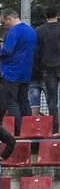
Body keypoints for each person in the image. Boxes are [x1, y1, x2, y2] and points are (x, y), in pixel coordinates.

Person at [0, 9, 37, 131]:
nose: (4, 26)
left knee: (12, 102)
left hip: (11, 72)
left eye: (4, 23)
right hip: (26, 72)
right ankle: (29, 129)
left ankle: (18, 131)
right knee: (24, 102)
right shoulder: (31, 31)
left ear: (9, 19)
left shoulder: (14, 31)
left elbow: (7, 50)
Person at [37, 7, 60, 136]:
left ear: (45, 16)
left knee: (52, 100)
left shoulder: (40, 31)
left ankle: (55, 129)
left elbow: (37, 52)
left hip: (47, 68)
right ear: (57, 14)